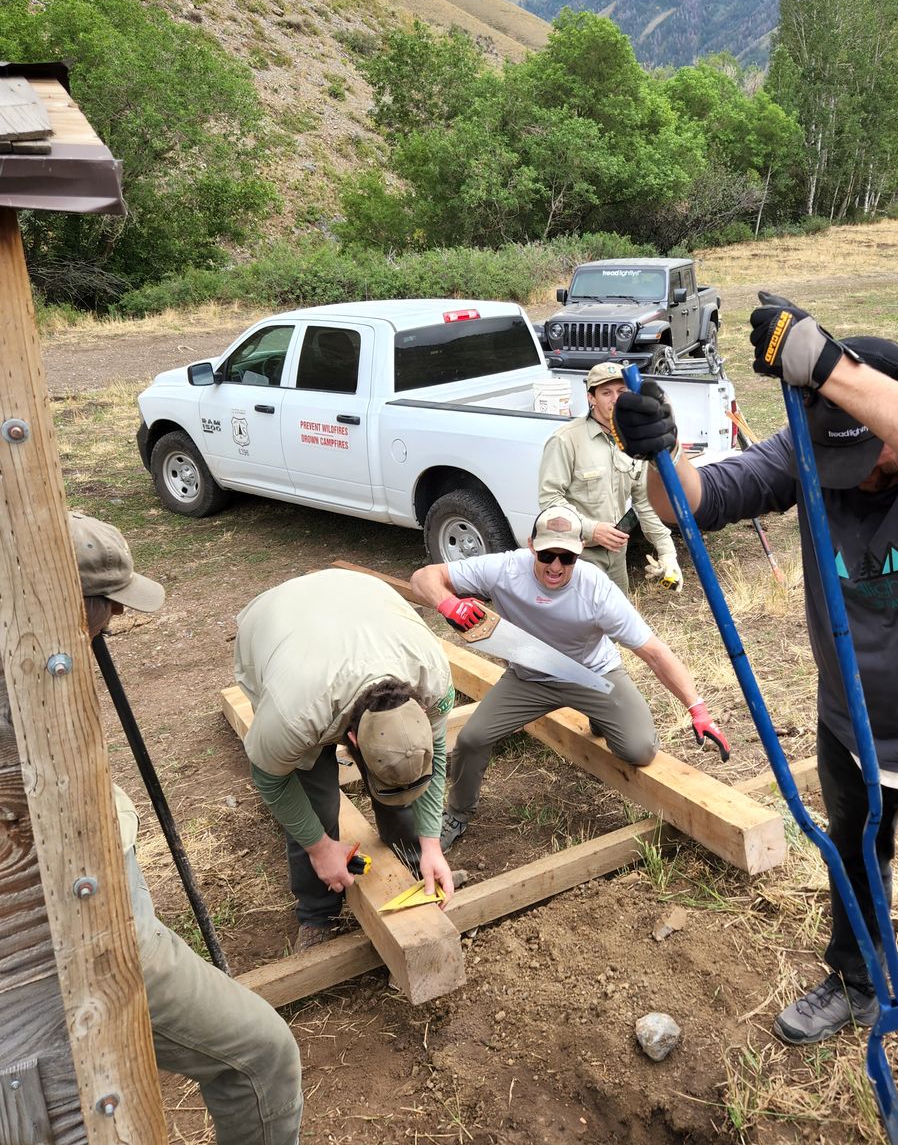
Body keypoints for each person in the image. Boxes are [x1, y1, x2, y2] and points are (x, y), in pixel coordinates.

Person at [614, 295, 898, 1145]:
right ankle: (855, 982)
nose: (854, 481)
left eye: (869, 457)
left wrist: (830, 365)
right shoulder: (810, 453)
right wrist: (657, 450)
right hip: (853, 731)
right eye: (835, 462)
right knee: (853, 872)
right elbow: (693, 502)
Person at [30, 513, 337, 1145]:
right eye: (108, 606)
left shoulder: (36, 661)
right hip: (78, 916)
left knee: (83, 1056)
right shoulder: (23, 696)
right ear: (69, 603)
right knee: (259, 1049)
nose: (115, 620)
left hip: (78, 891)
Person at [409, 503, 730, 853]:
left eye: (567, 557)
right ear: (531, 545)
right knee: (471, 739)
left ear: (580, 551)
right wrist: (448, 604)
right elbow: (423, 578)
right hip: (529, 677)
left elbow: (655, 652)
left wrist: (697, 708)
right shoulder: (504, 568)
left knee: (640, 750)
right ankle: (457, 814)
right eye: (547, 555)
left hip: (593, 675)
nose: (556, 566)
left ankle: (600, 717)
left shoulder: (597, 590)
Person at [233, 569, 457, 950]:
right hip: (280, 623)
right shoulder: (294, 714)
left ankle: (413, 857)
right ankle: (316, 910)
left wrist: (431, 845)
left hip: (360, 599)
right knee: (315, 800)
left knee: (402, 774)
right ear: (351, 740)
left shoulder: (433, 678)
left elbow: (429, 764)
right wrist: (320, 847)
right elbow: (271, 778)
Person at [538, 361, 682, 596]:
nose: (615, 399)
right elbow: (550, 501)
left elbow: (644, 502)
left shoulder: (632, 442)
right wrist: (592, 529)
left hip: (617, 553)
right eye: (606, 393)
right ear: (591, 398)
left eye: (621, 392)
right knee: (583, 616)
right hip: (578, 554)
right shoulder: (565, 440)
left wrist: (667, 552)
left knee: (618, 615)